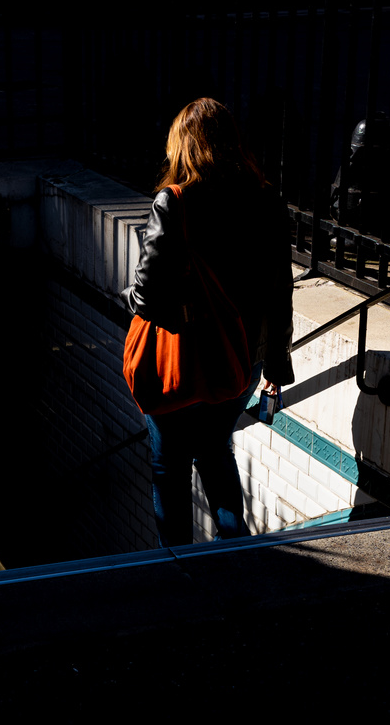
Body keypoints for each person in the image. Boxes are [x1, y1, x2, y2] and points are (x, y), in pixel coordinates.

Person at [122, 97, 295, 546]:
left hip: (179, 360)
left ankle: (178, 570)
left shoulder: (175, 202)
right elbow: (280, 290)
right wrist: (277, 363)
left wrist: (126, 296)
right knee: (216, 450)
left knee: (169, 467)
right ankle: (232, 555)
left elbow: (145, 293)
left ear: (182, 147)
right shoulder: (267, 199)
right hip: (241, 361)